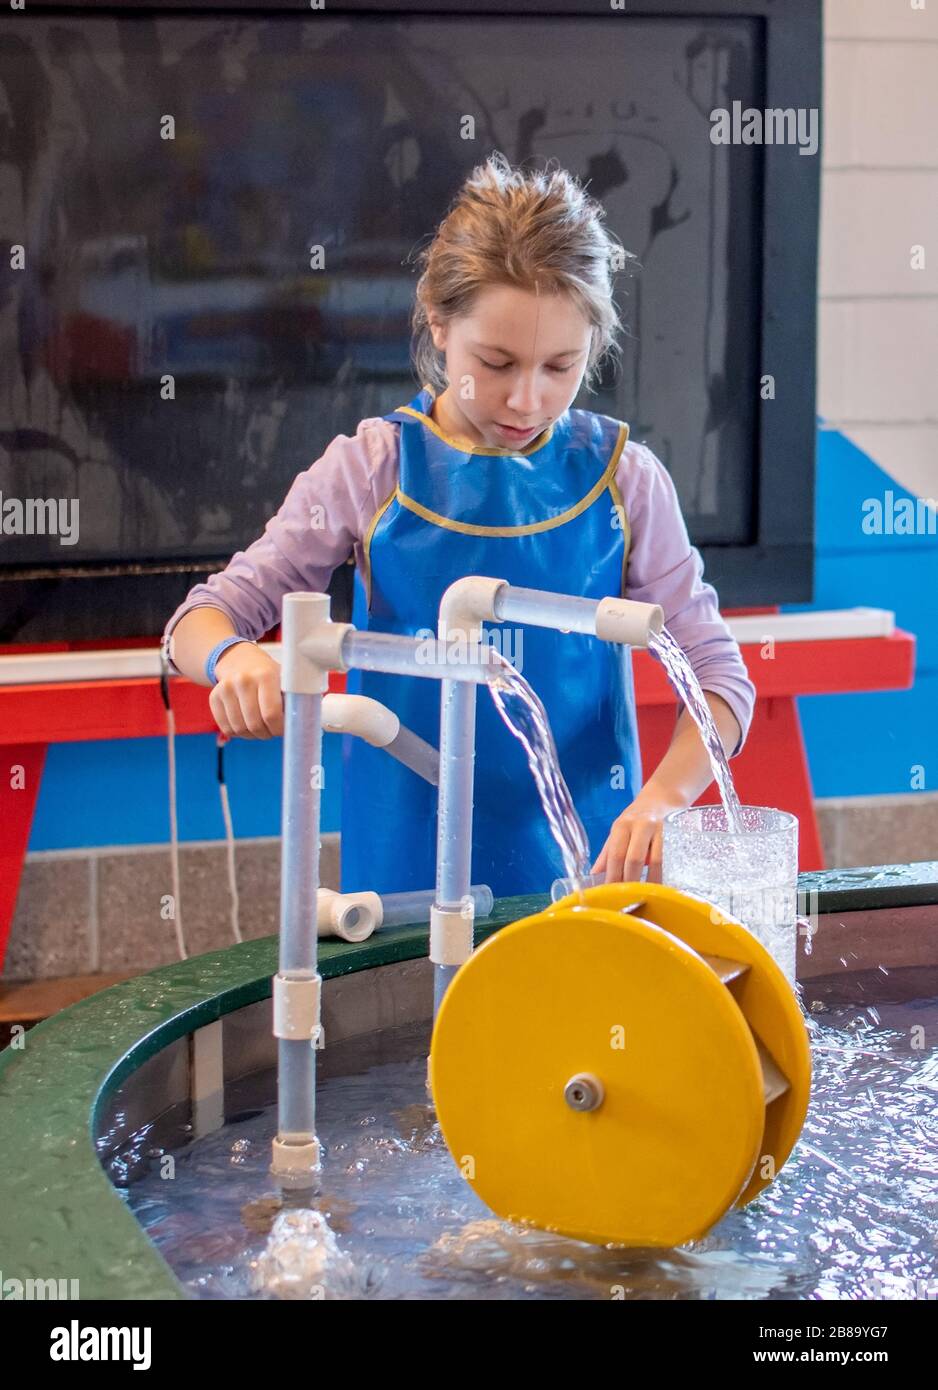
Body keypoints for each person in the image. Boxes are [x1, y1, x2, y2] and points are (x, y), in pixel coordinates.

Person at [162, 153, 756, 899]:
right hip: (404, 877)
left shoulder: (625, 480)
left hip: (588, 874)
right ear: (438, 325)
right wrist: (233, 659)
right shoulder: (372, 469)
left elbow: (719, 677)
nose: (527, 400)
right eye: (496, 363)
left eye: (560, 366)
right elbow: (198, 621)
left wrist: (665, 798)